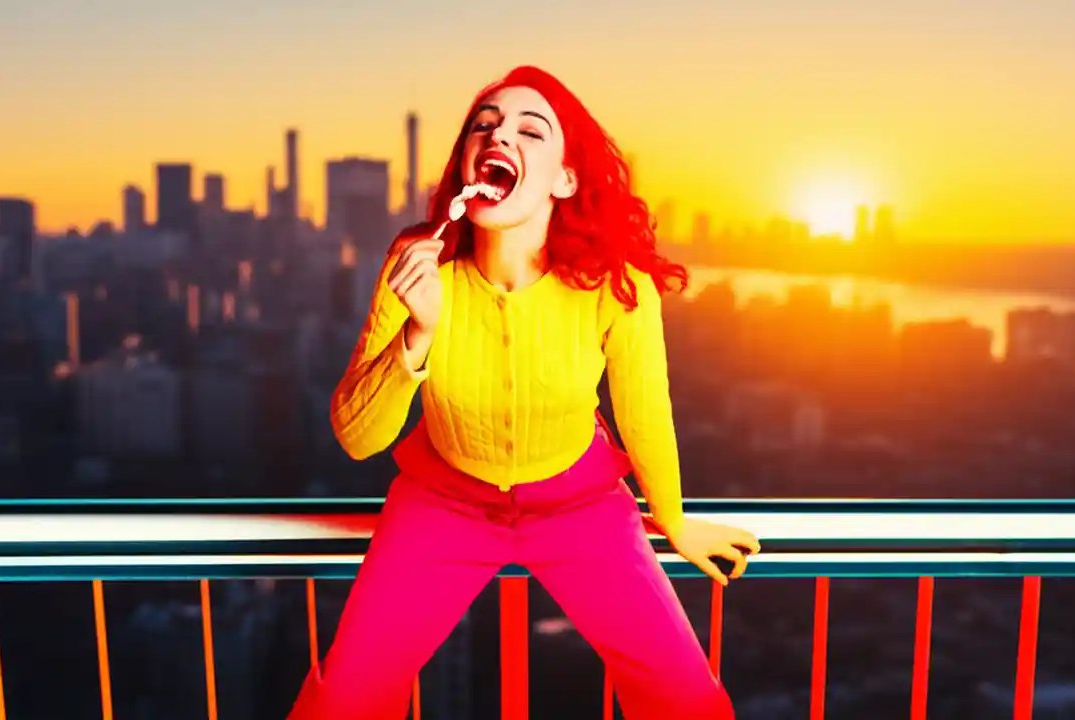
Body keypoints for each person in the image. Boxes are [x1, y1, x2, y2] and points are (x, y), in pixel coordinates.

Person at [288, 65, 760, 719]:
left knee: (687, 701)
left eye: (529, 130)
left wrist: (673, 523)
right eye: (484, 125)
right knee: (341, 702)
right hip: (441, 506)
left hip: (583, 507)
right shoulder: (417, 265)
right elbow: (357, 435)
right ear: (465, 166)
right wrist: (416, 336)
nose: (498, 135)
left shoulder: (617, 288)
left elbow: (645, 415)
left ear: (565, 179)